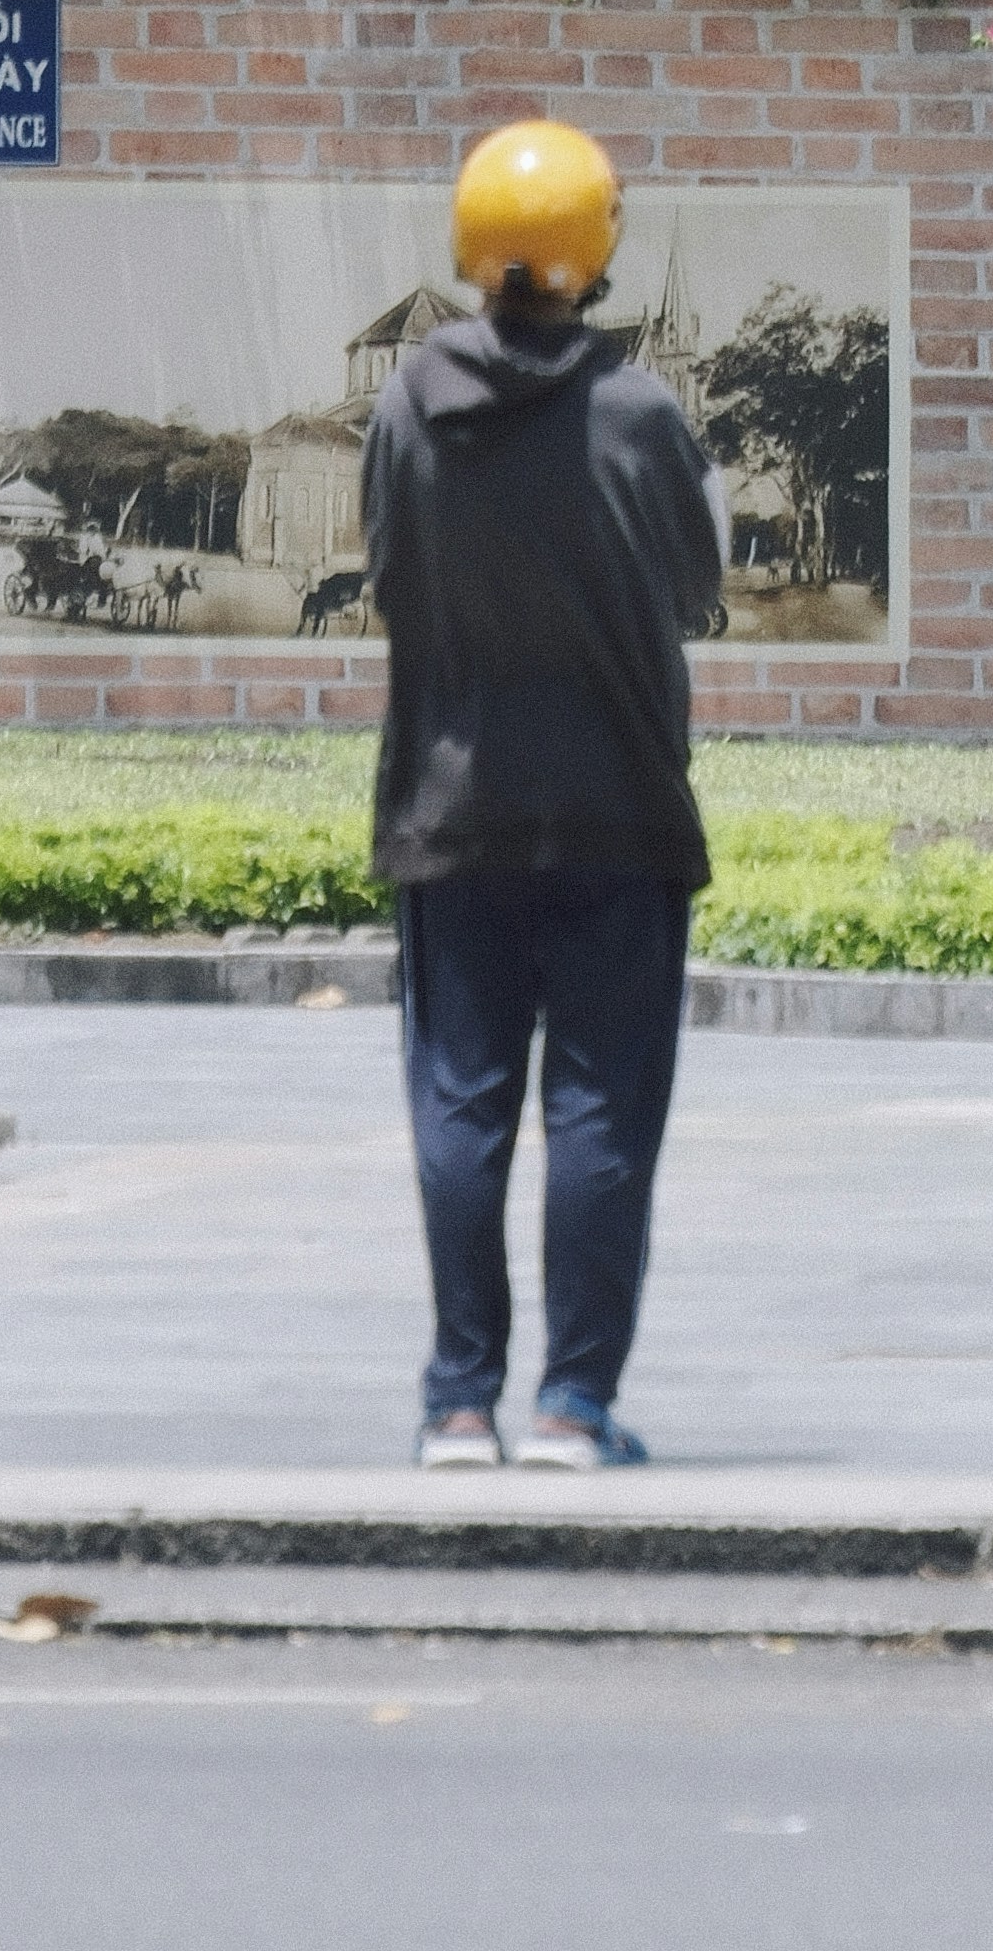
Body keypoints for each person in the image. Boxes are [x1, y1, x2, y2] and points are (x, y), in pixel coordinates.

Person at [363, 111, 723, 1474]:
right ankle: (574, 1405)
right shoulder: (638, 414)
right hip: (622, 809)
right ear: (596, 254)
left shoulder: (405, 405)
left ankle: (461, 1403)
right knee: (597, 1109)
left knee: (459, 1102)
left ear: (470, 246)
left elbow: (391, 578)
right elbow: (697, 591)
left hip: (450, 810)